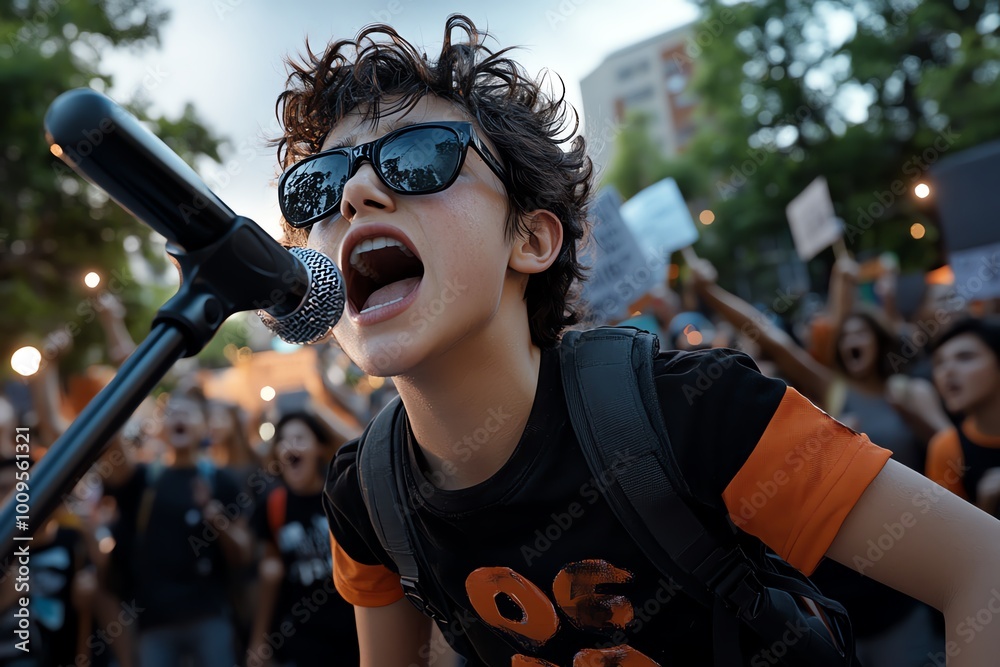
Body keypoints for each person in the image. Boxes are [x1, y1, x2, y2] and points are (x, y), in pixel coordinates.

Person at [272, 15, 1000, 665]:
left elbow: (982, 567)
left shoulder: (697, 410)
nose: (354, 194)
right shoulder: (364, 496)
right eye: (318, 183)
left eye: (421, 156)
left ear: (531, 238)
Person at [101, 386, 250, 667]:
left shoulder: (222, 481)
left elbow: (244, 553)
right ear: (160, 427)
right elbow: (111, 438)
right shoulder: (143, 480)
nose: (178, 416)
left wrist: (216, 518)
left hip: (210, 617)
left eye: (188, 412)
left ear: (205, 425)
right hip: (154, 624)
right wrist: (128, 379)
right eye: (170, 412)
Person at [248, 408, 359, 666]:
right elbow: (269, 576)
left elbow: (362, 447)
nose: (290, 446)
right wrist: (259, 639)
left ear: (319, 448)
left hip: (354, 632)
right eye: (283, 440)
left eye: (299, 438)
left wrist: (319, 408)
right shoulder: (274, 504)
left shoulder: (341, 494)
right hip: (302, 638)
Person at [927, 316, 1000, 517]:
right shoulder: (947, 447)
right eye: (939, 363)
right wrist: (986, 507)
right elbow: (947, 540)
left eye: (965, 357)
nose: (947, 371)